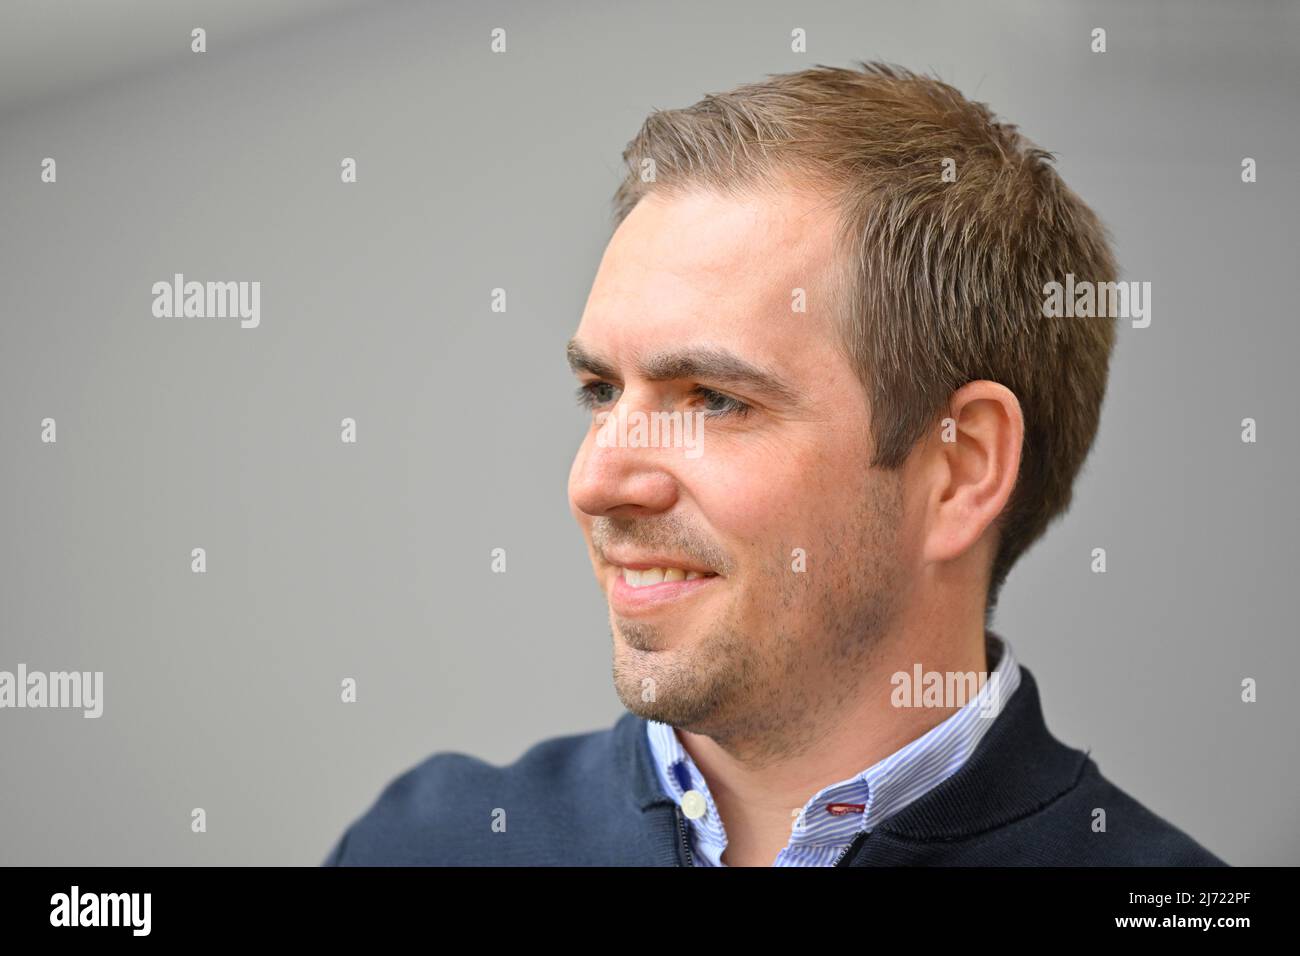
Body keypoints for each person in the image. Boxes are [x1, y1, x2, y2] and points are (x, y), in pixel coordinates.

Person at [324, 62, 1224, 866]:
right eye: (601, 391)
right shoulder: (422, 844)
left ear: (961, 469)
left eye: (714, 400)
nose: (595, 482)